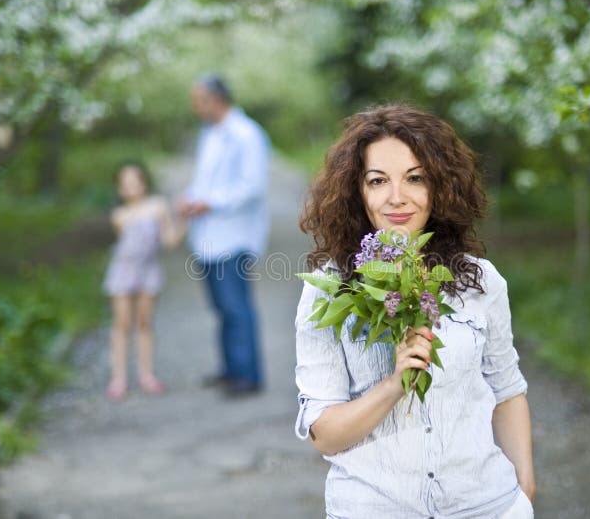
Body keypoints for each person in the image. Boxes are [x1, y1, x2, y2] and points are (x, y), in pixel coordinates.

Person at [295, 104, 535, 518]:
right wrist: (394, 385)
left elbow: (507, 391)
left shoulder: (480, 280)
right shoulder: (332, 289)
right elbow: (325, 435)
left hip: (485, 507)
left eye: (415, 178)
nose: (397, 198)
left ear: (440, 187)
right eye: (377, 181)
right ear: (357, 192)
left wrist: (524, 491)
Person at [176, 74, 271, 396]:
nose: (195, 107)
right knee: (221, 307)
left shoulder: (246, 134)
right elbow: (205, 181)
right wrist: (190, 198)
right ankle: (231, 369)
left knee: (236, 306)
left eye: (198, 100)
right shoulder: (211, 134)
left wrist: (208, 203)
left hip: (234, 237)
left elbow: (252, 186)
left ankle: (249, 376)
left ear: (216, 99)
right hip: (209, 237)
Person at [103, 160, 185, 401]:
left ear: (144, 183)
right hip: (123, 270)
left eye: (134, 182)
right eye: (124, 184)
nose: (130, 188)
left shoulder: (158, 206)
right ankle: (118, 378)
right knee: (121, 323)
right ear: (119, 189)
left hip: (148, 270)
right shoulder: (118, 215)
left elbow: (169, 241)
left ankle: (146, 374)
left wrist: (183, 219)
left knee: (144, 322)